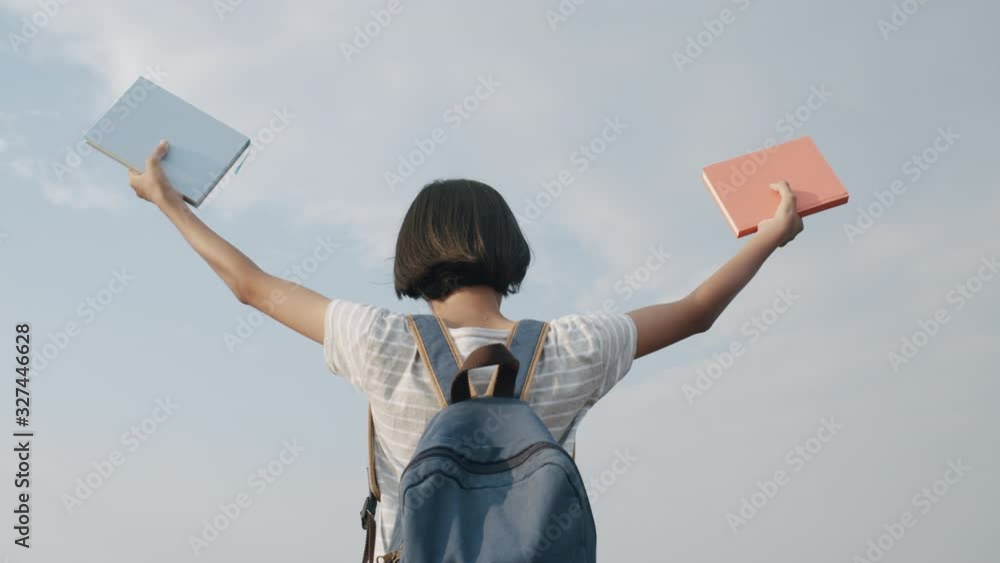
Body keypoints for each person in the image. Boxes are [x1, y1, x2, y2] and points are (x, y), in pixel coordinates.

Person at [127, 140, 803, 556]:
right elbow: (696, 312)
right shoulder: (577, 345)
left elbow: (250, 285)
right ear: (508, 249)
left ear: (412, 251)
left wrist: (167, 199)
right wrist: (769, 233)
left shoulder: (379, 340)